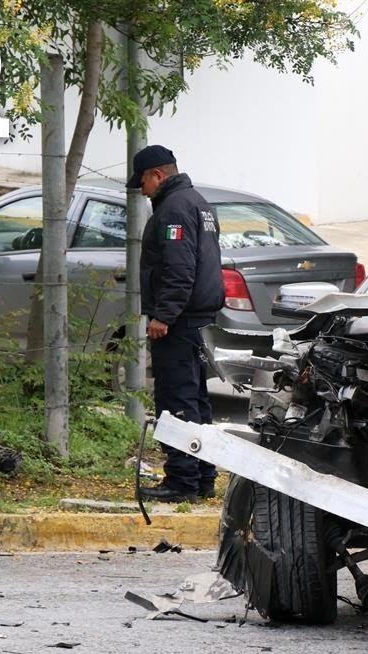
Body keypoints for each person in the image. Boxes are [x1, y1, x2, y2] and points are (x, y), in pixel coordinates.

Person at [129, 144, 225, 502]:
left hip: (180, 321)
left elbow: (180, 270)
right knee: (197, 398)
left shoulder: (173, 208)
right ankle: (202, 476)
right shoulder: (199, 202)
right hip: (198, 319)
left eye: (143, 182)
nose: (142, 190)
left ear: (158, 175)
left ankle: (183, 480)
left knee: (177, 399)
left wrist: (163, 315)